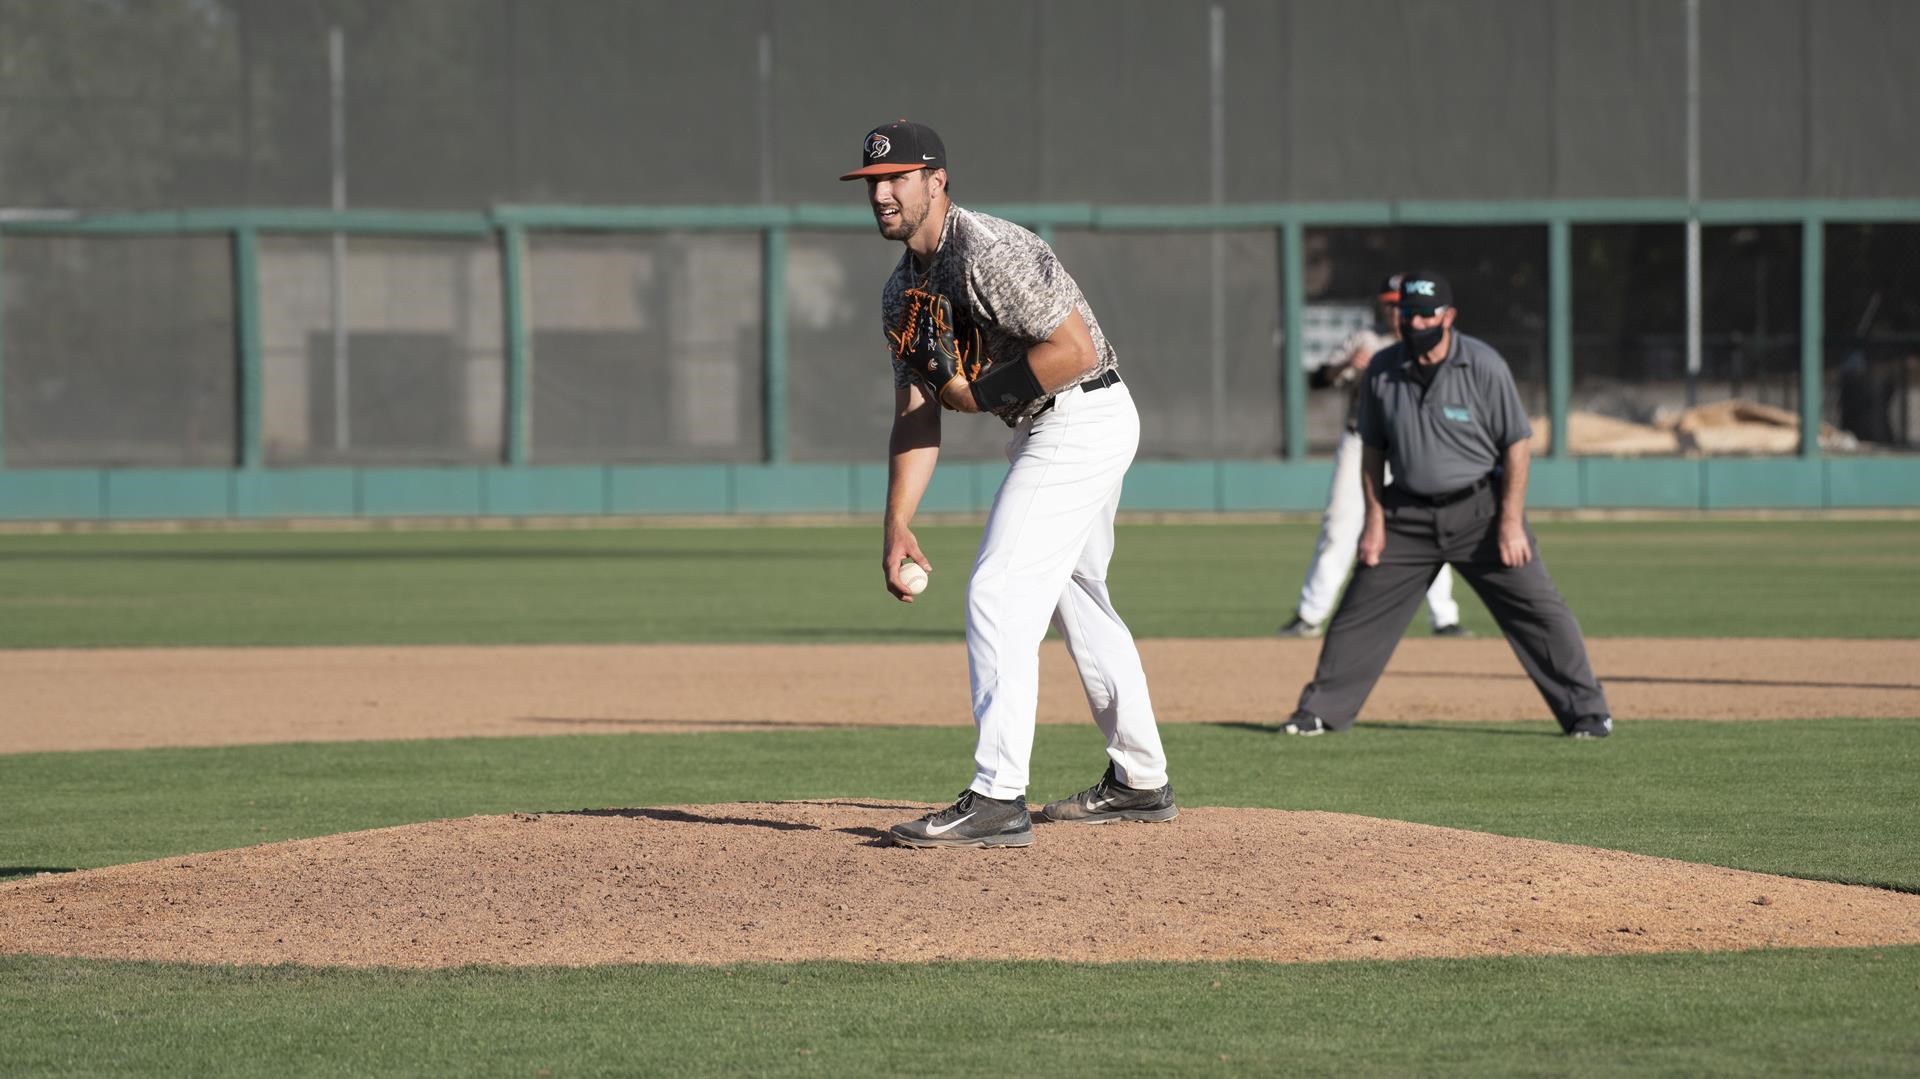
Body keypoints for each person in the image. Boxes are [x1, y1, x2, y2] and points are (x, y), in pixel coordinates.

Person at [841, 120, 1178, 847]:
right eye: (873, 182)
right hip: (1048, 423)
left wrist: (979, 395)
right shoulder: (902, 294)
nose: (883, 193)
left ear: (938, 181)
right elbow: (916, 410)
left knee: (998, 590)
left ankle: (997, 795)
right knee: (1079, 597)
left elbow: (1075, 348)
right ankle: (1141, 778)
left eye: (899, 177)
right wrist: (897, 520)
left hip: (1082, 411)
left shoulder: (985, 251)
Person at [1279, 272, 1613, 739]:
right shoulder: (1383, 368)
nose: (1416, 321)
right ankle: (1320, 711)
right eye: (1408, 312)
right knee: (1358, 614)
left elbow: (1516, 444)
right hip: (1406, 516)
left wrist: (1511, 521)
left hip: (1480, 512)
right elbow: (1372, 449)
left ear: (1448, 316)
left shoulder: (1482, 365)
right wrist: (1375, 521)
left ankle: (1587, 712)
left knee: (1539, 611)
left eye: (1426, 313)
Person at [1278, 273, 1470, 640]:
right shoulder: (1367, 339)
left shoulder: (1432, 343)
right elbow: (1319, 379)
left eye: (1400, 302)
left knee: (1430, 524)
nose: (1394, 309)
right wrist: (1348, 363)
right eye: (1388, 302)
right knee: (1339, 527)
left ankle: (1444, 617)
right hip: (1361, 440)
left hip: (1413, 443)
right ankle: (1310, 614)